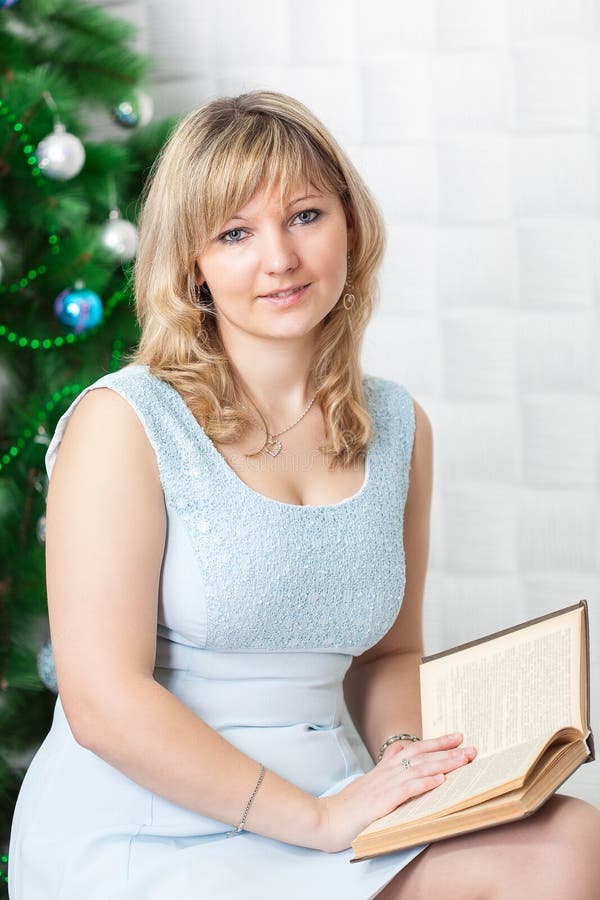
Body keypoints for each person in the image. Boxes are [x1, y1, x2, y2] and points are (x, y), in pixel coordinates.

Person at [7, 89, 600, 900]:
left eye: (307, 216)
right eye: (236, 233)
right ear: (193, 264)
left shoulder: (398, 425)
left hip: (336, 802)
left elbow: (388, 655)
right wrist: (317, 822)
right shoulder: (126, 422)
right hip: (150, 826)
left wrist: (418, 772)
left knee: (570, 838)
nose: (280, 258)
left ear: (350, 226)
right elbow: (104, 702)